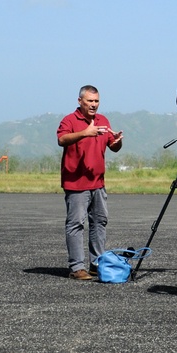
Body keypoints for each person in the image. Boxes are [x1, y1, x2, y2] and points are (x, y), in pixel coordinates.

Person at [57, 85, 124, 279]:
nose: (94, 105)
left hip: (98, 182)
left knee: (99, 222)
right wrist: (85, 133)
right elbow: (62, 139)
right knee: (76, 224)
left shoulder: (103, 120)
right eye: (90, 101)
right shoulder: (69, 120)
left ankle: (97, 263)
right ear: (80, 101)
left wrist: (118, 141)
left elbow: (114, 147)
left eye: (96, 101)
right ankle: (77, 267)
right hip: (76, 183)